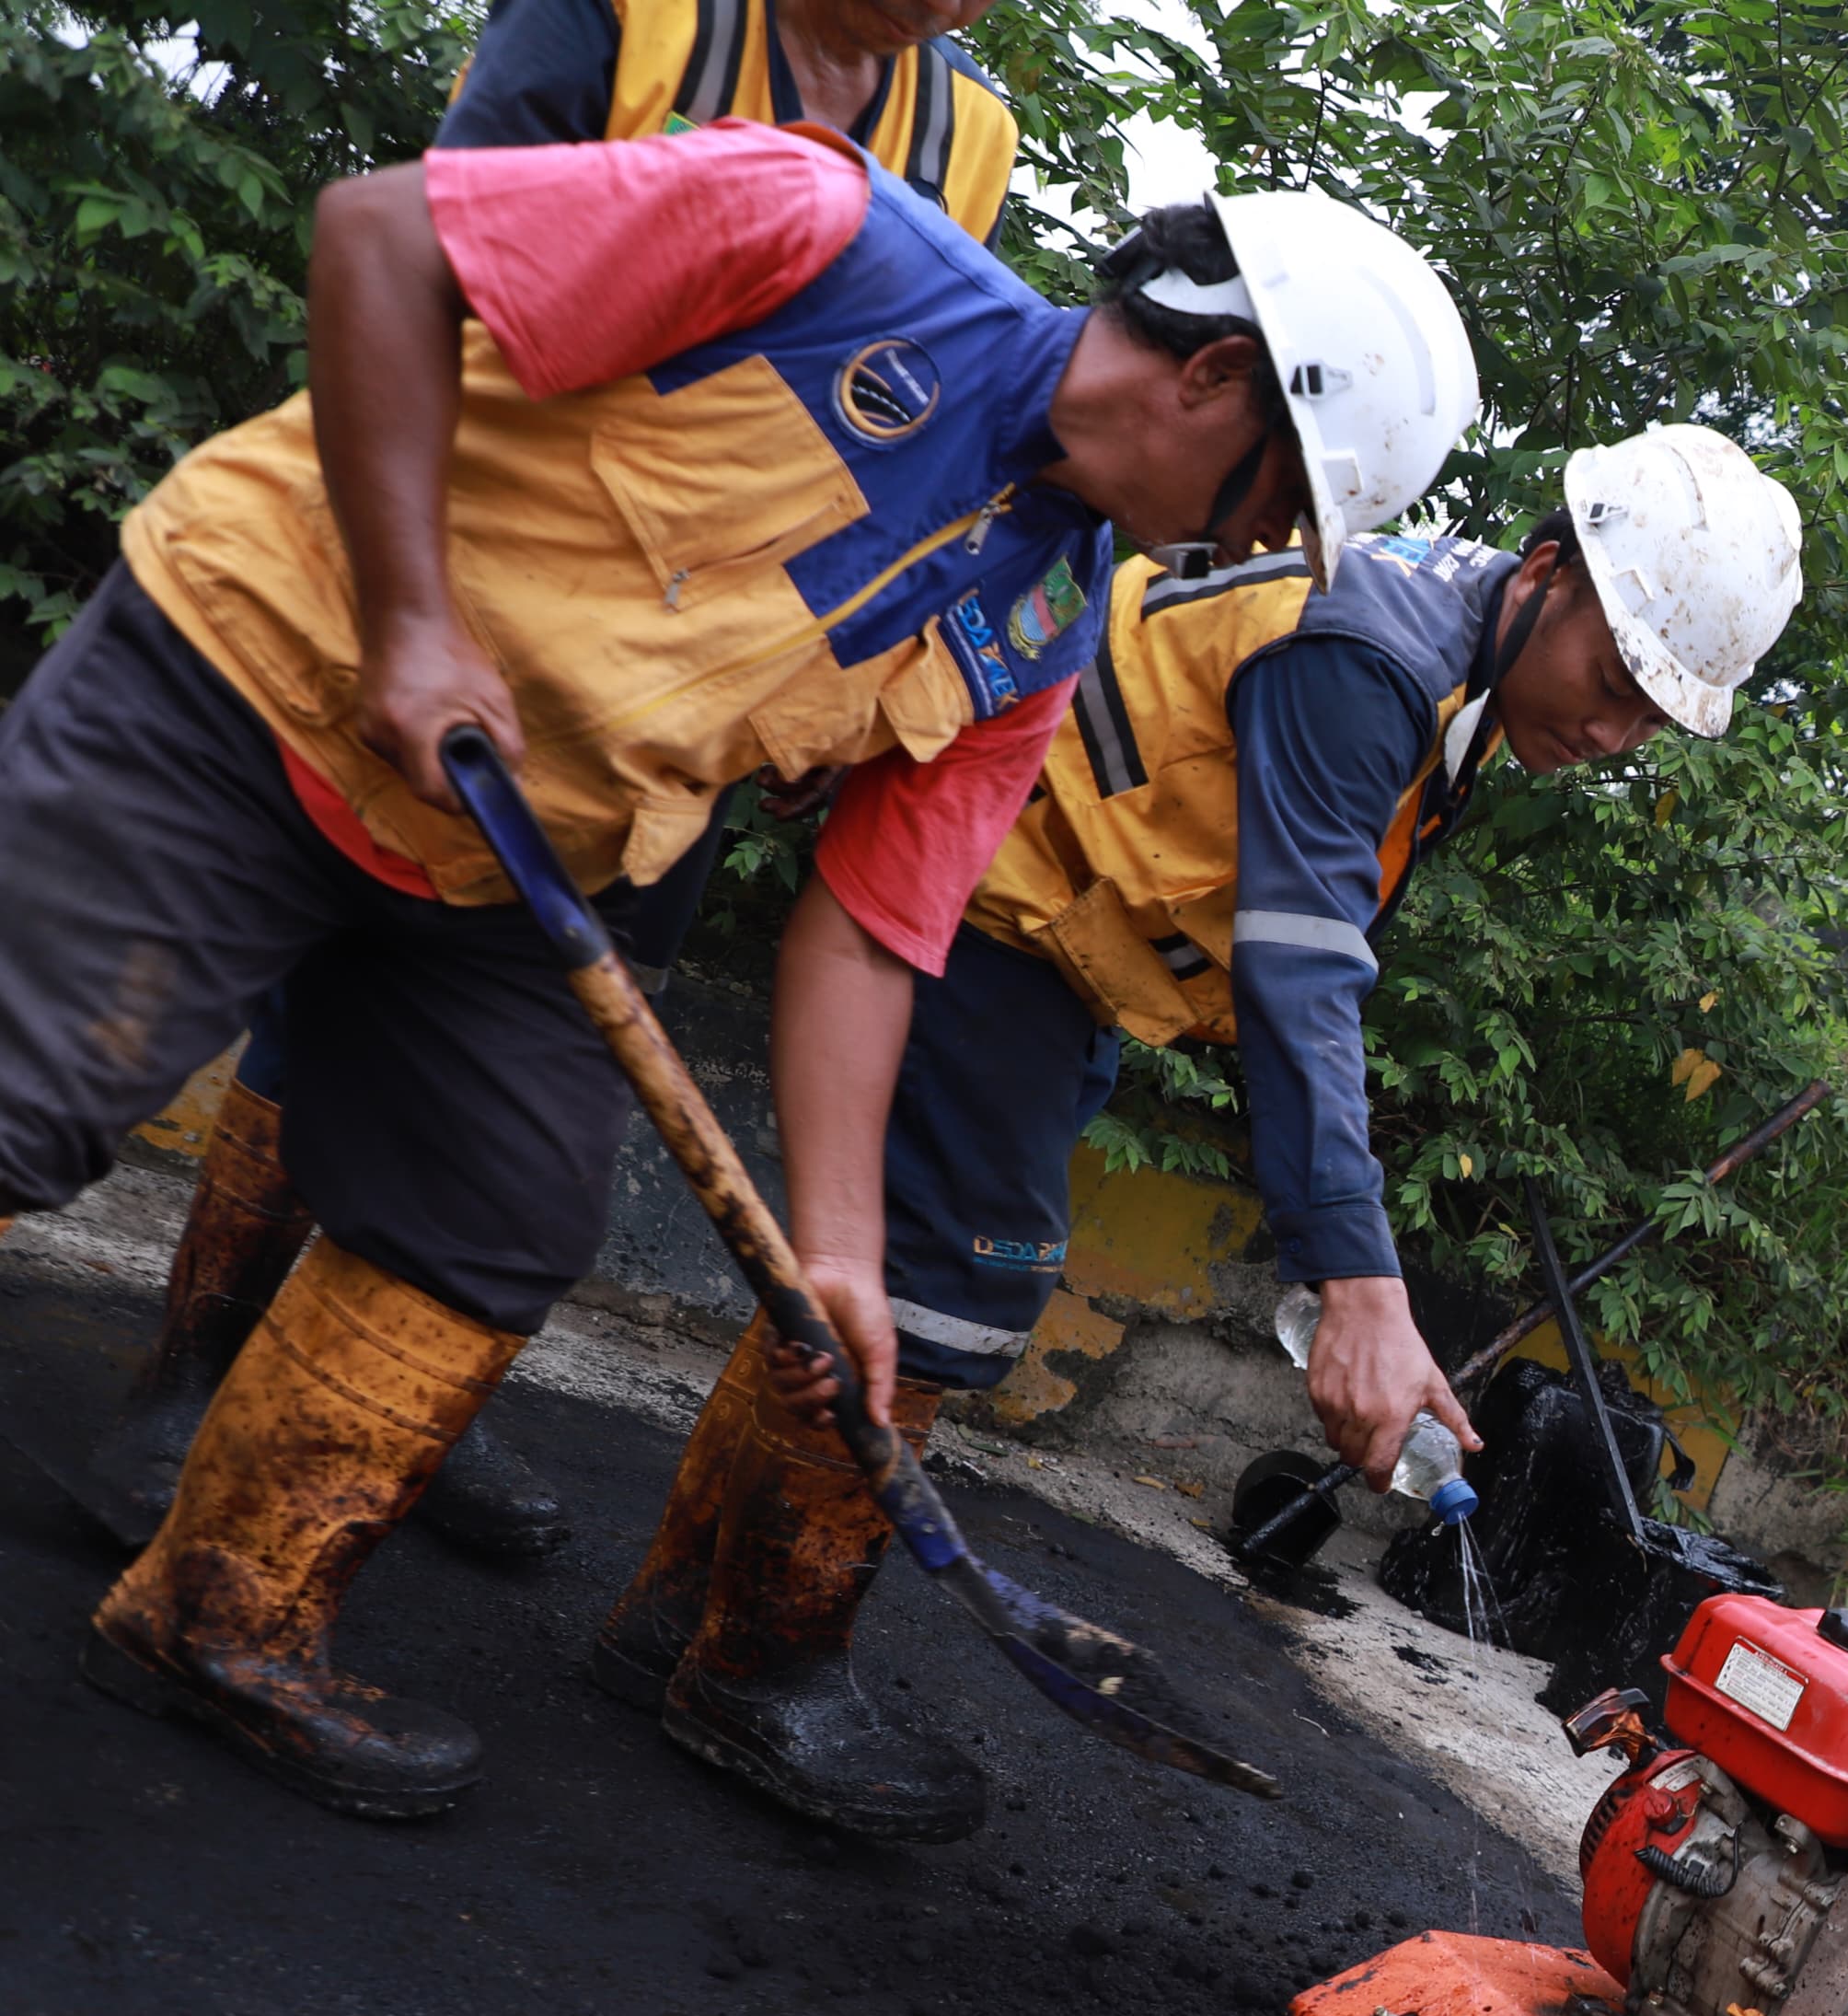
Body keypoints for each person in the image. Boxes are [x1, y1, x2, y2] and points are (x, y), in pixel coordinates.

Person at [0, 123, 1369, 1820]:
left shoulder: (1044, 622)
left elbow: (871, 925)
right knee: (31, 1095)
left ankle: (215, 1616)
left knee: (493, 1219)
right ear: (1216, 379)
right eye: (1277, 501)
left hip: (511, 858)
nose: (1253, 548)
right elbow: (381, 239)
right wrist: (413, 616)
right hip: (259, 675)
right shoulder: (826, 236)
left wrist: (840, 1258)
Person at [590, 422, 1801, 1842]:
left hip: (1063, 922)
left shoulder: (1448, 657)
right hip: (1000, 881)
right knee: (939, 1288)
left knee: (904, 1281)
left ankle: (678, 1612)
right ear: (1546, 573)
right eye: (1611, 682)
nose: (1612, 732)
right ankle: (760, 1665)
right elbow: (1304, 964)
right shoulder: (1374, 658)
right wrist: (1359, 1287)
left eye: (1652, 718)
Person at [69, 0, 1028, 1564]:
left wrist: (823, 683)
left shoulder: (963, 131)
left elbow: (909, 427)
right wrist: (418, 614)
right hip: (457, 565)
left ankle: (365, 1402)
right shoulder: (633, 16)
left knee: (519, 1099)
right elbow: (444, 262)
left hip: (670, 669)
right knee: (324, 989)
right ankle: (194, 1368)